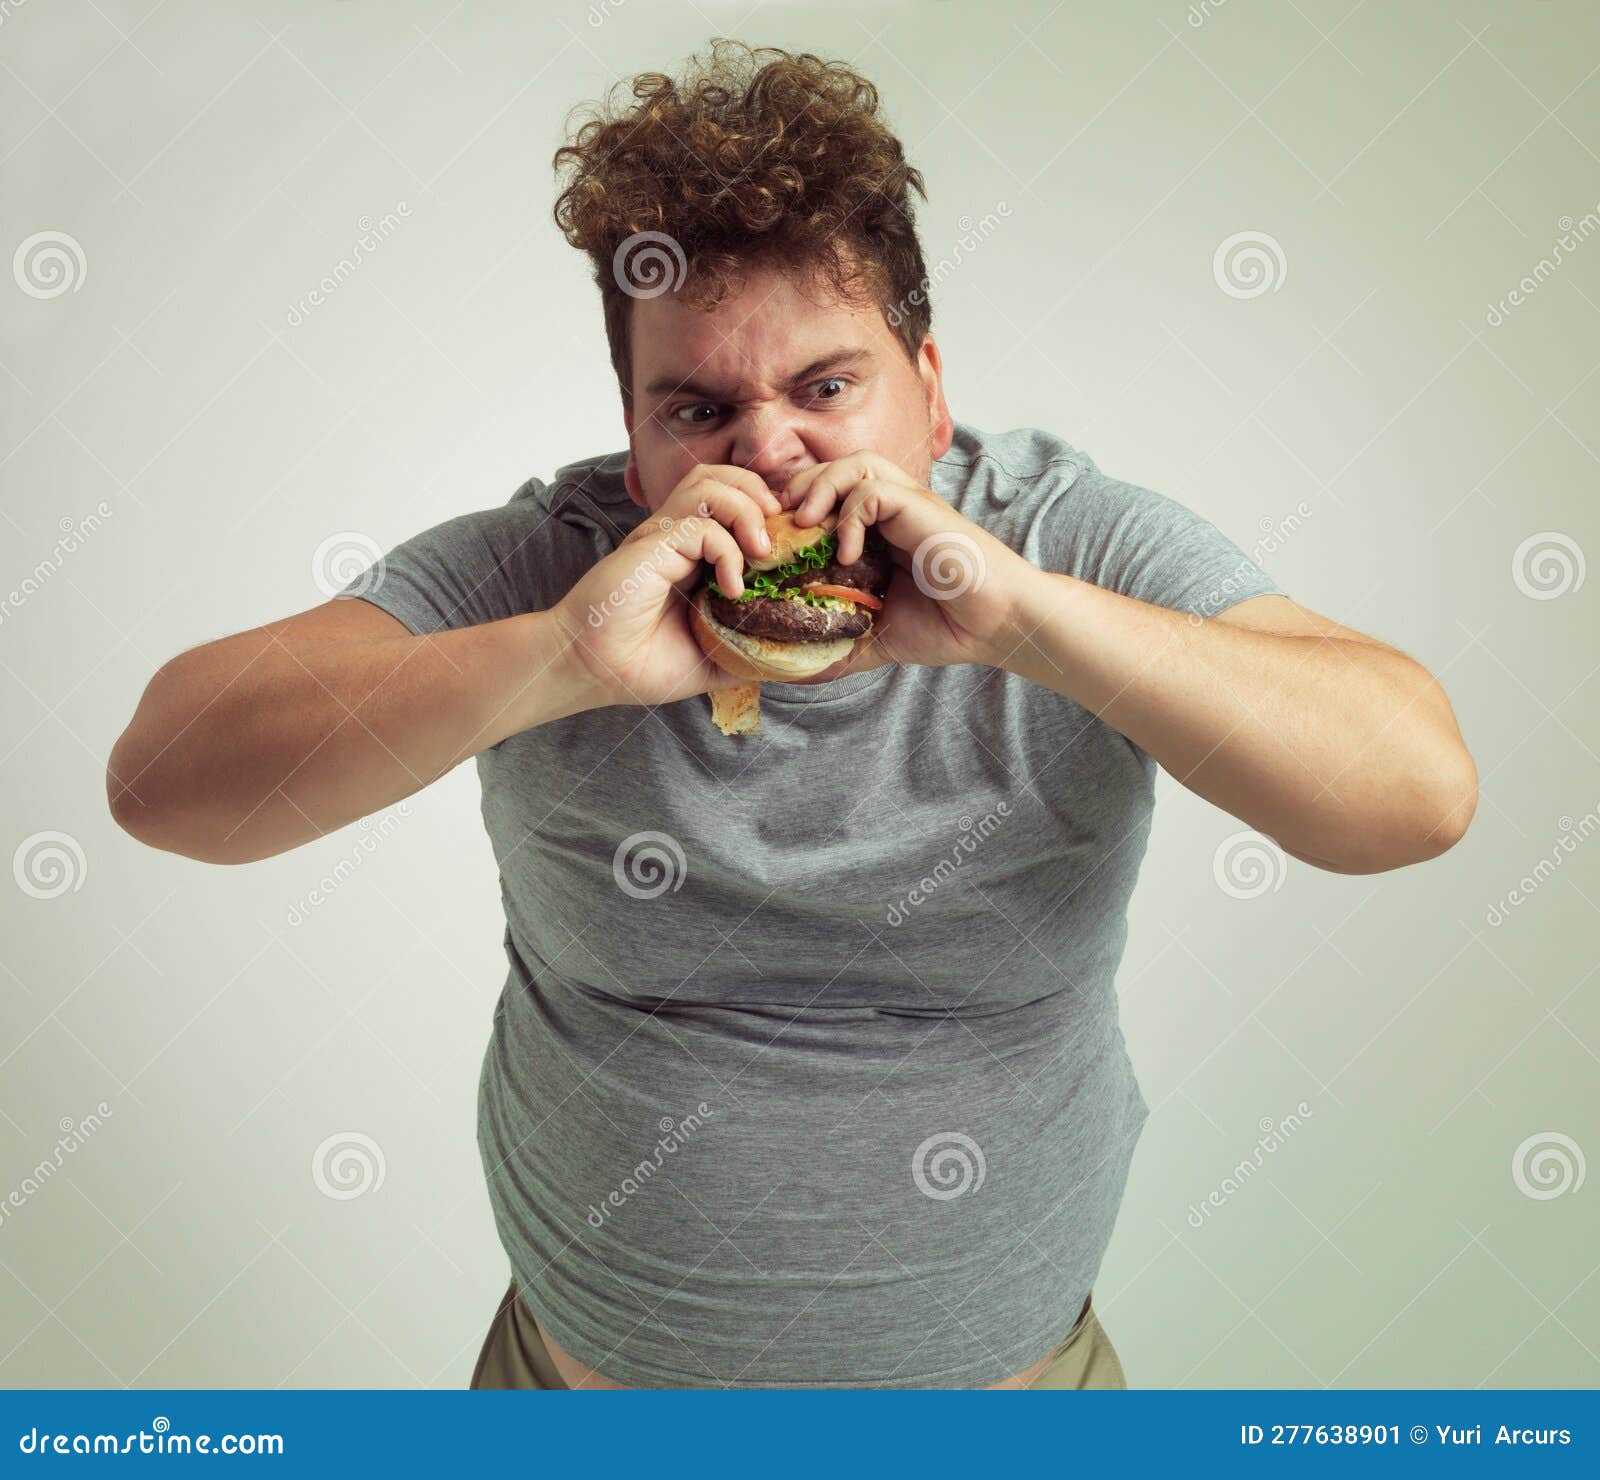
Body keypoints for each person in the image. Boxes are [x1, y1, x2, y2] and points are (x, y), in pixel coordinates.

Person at [106, 41, 1477, 1390]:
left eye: (828, 388)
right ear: (635, 441)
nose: (767, 450)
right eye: (698, 408)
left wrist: (1024, 624)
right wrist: (561, 662)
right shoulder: (559, 567)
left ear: (930, 392)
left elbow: (1416, 793)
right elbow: (161, 781)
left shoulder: (1064, 542)